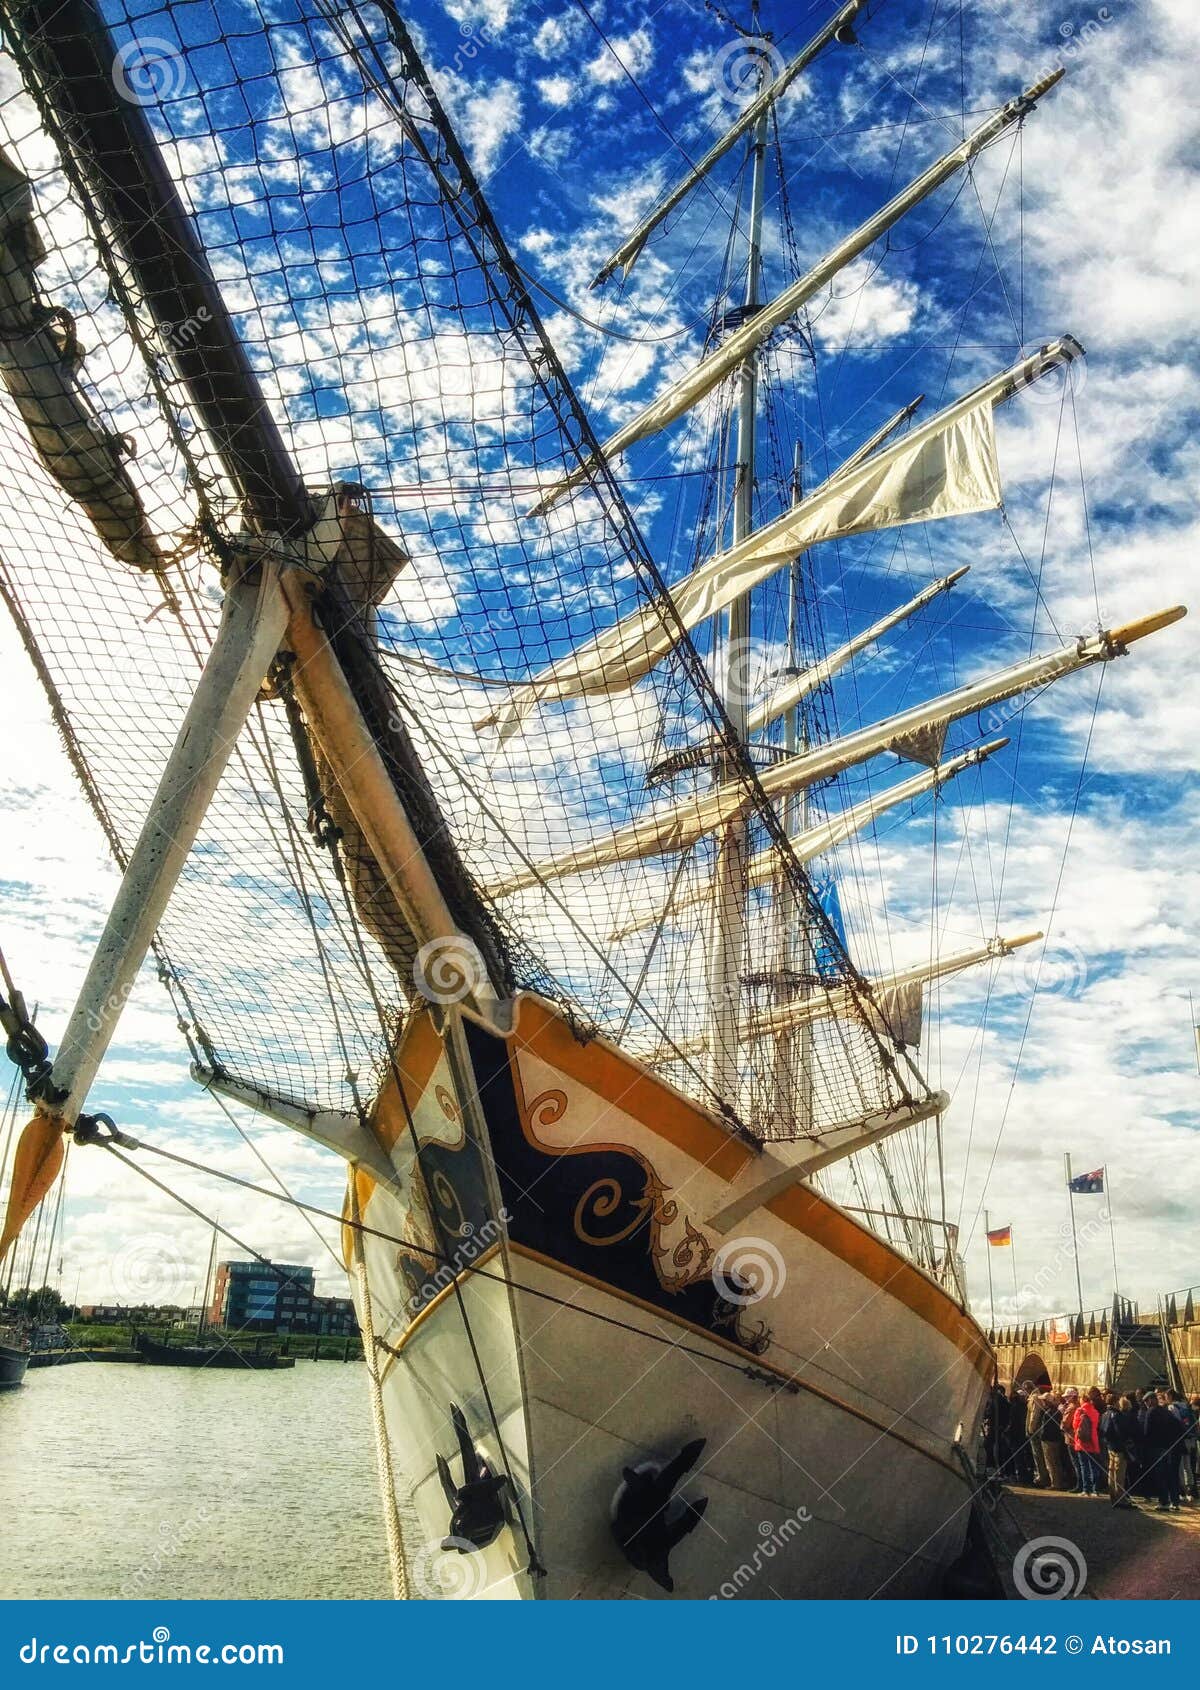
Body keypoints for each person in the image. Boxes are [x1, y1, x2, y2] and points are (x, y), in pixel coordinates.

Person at [1140, 1388, 1185, 1511]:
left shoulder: (1151, 1412)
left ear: (1151, 1400)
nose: (1145, 1404)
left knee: (1160, 1476)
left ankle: (1164, 1501)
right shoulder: (1166, 1411)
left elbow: (1146, 1432)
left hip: (1156, 1448)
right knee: (1171, 1475)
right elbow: (1179, 1427)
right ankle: (1175, 1502)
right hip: (1170, 1447)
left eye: (1146, 1401)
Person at [1101, 1393, 1139, 1509]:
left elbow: (1102, 1429)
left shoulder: (1105, 1414)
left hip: (1109, 1446)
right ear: (1115, 1402)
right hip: (1119, 1448)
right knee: (1119, 1474)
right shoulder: (1116, 1415)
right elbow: (1121, 1432)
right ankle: (1121, 1499)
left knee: (1111, 1472)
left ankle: (1113, 1496)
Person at [1166, 1390, 1198, 1503]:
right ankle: (1191, 1490)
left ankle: (1182, 1491)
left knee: (1179, 1466)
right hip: (1189, 1439)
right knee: (1188, 1465)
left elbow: (1175, 1423)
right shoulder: (1185, 1406)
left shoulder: (1172, 1407)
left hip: (1179, 1440)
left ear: (1170, 1396)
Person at [1072, 1388, 1105, 1496]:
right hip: (1093, 1441)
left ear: (1083, 1399)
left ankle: (1086, 1489)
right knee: (1094, 1466)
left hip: (1082, 1442)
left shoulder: (1080, 1410)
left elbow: (1075, 1426)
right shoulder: (1095, 1411)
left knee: (1084, 1466)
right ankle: (1096, 1489)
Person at [1039, 1391, 1074, 1491]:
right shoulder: (1057, 1412)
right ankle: (1058, 1482)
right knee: (1056, 1462)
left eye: (1044, 1401)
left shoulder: (1050, 1412)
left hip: (1049, 1440)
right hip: (1056, 1439)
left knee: (1051, 1462)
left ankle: (1056, 1483)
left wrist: (1042, 1436)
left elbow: (1046, 1428)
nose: (1043, 1402)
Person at [1026, 1387, 1051, 1487]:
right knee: (1040, 1455)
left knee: (1038, 1455)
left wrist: (1031, 1429)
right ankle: (1042, 1476)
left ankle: (1042, 1477)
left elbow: (1034, 1415)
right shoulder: (1036, 1398)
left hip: (1035, 1431)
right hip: (1037, 1430)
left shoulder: (1034, 1398)